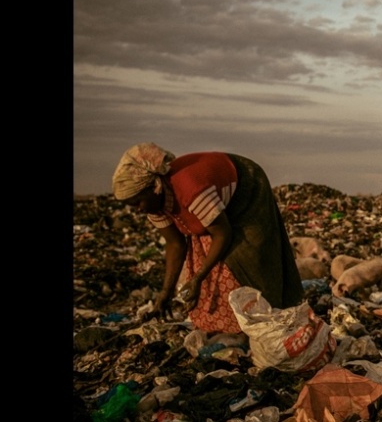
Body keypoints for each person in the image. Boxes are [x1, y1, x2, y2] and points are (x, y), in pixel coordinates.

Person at [111, 142, 303, 334]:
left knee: (248, 256)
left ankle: (269, 318)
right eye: (132, 206)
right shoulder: (153, 206)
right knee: (205, 255)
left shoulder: (191, 191)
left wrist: (198, 278)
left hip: (246, 185)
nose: (138, 209)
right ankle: (224, 327)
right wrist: (166, 292)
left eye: (138, 202)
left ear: (155, 187)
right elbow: (175, 245)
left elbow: (223, 233)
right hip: (212, 199)